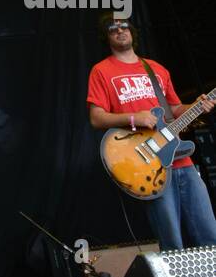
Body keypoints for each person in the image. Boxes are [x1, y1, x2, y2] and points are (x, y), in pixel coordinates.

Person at [87, 14, 216, 250]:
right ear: (106, 37)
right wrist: (135, 117)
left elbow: (175, 109)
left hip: (181, 160)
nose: (120, 30)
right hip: (149, 165)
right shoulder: (101, 71)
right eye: (112, 29)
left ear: (133, 32)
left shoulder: (156, 69)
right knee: (172, 243)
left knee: (210, 233)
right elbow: (96, 118)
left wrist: (198, 105)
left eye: (124, 26)